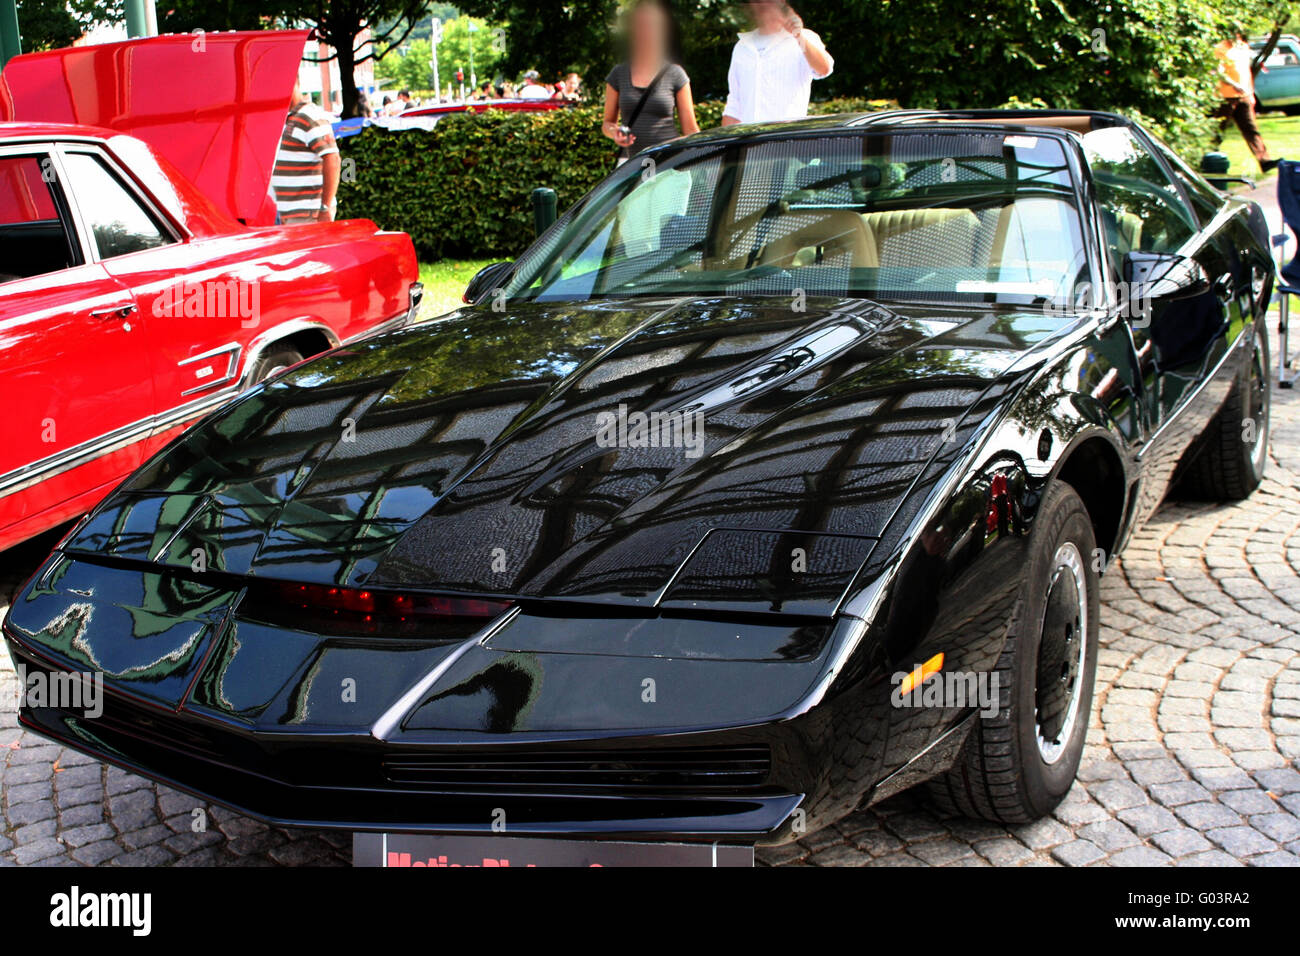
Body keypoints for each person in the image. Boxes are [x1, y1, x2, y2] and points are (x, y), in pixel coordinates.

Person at [603, 0, 700, 162]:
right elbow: (607, 123)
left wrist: (704, 157)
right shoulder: (618, 74)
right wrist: (615, 133)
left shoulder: (675, 73)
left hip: (667, 162)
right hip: (631, 163)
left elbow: (690, 129)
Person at [721, 1, 833, 126]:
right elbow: (734, 104)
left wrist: (798, 36)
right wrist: (724, 143)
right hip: (749, 141)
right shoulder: (742, 46)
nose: (763, 5)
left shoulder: (803, 38)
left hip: (786, 139)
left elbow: (824, 69)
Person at [273, 77, 341, 225]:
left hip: (307, 215)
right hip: (289, 214)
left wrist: (325, 208)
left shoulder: (309, 116)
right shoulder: (288, 117)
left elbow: (333, 159)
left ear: (294, 83)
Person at [1215, 30, 1279, 173]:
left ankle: (1265, 161)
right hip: (1226, 96)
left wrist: (1250, 94)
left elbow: (1246, 72)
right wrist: (1233, 84)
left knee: (1251, 129)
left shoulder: (1243, 47)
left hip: (1244, 95)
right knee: (1219, 129)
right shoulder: (1221, 48)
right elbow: (1220, 71)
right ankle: (1209, 159)